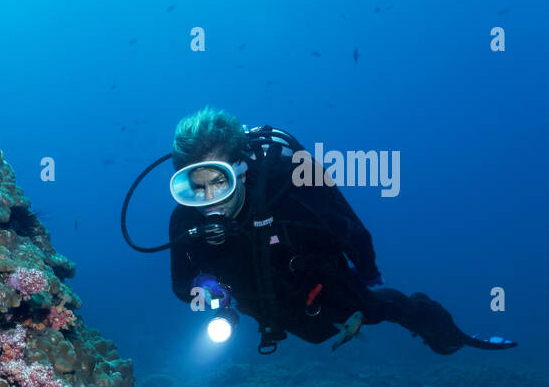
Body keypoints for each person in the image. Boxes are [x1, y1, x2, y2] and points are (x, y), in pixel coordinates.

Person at [165, 107, 516, 354]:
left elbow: (352, 230)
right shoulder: (184, 220)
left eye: (220, 181)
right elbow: (183, 285)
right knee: (313, 333)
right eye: (197, 187)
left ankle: (448, 332)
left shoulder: (290, 185)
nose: (211, 199)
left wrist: (366, 270)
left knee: (378, 309)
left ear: (241, 169)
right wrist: (205, 291)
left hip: (324, 288)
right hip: (265, 306)